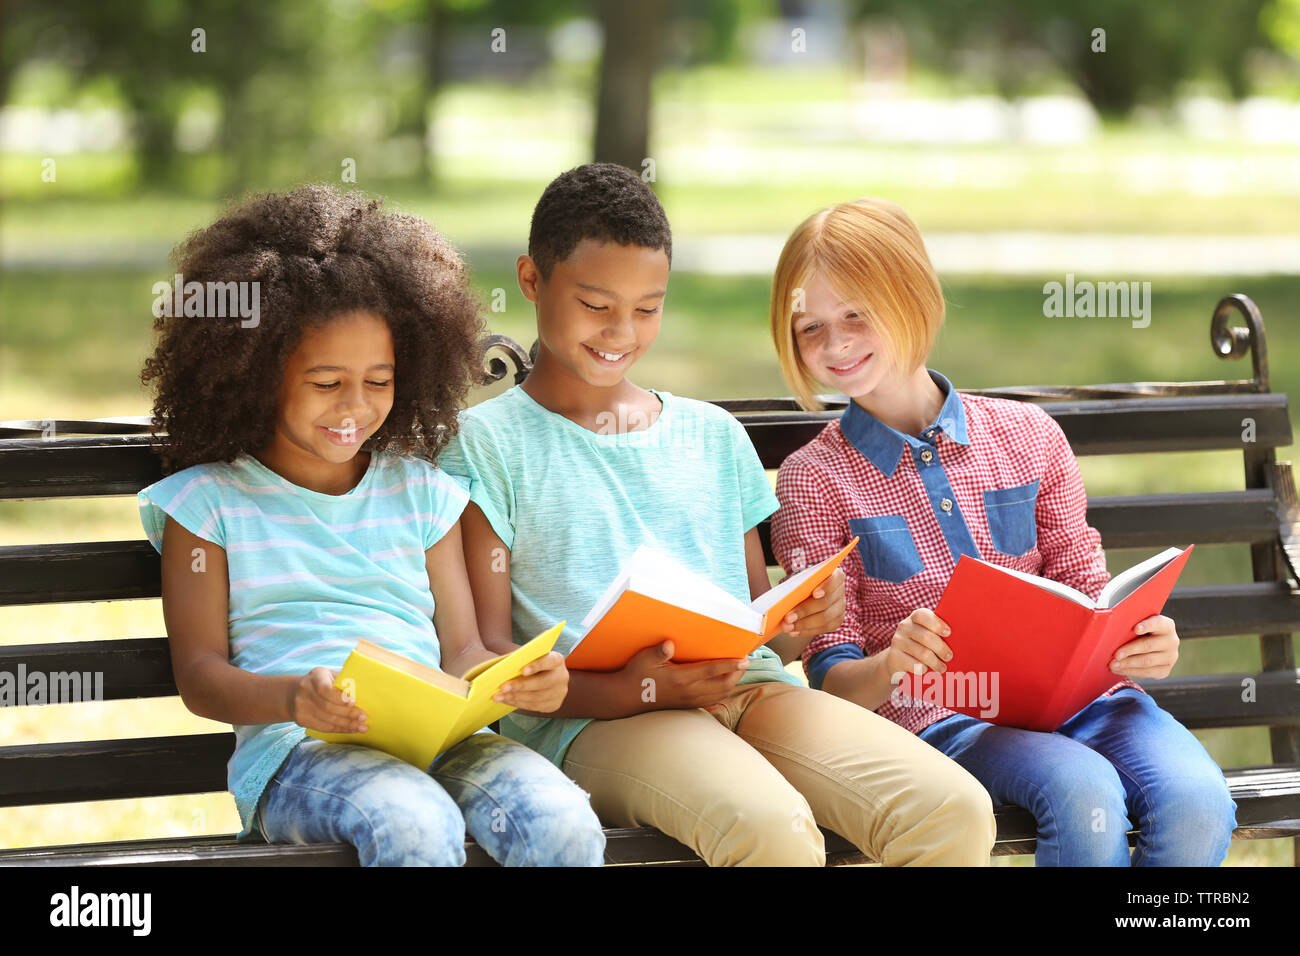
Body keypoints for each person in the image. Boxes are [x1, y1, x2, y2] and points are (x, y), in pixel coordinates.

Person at [439, 163, 996, 866]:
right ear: (530, 280)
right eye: (595, 304)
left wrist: (801, 619)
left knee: (951, 809)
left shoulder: (711, 434)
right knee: (769, 828)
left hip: (749, 691)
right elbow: (492, 661)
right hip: (591, 722)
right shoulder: (486, 446)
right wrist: (634, 687)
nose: (621, 331)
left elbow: (761, 628)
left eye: (647, 309)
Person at [137, 184, 605, 867]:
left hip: (440, 741)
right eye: (327, 383)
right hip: (300, 755)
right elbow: (201, 677)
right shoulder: (209, 507)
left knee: (562, 819)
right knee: (413, 822)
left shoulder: (423, 494)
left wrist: (516, 681)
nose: (355, 407)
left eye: (379, 380)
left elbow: (463, 652)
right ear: (259, 374)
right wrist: (294, 699)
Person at [767, 196, 1237, 866]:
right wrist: (895, 663)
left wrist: (1141, 642)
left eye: (855, 315)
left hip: (1084, 701)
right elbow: (833, 678)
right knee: (1084, 794)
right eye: (810, 329)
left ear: (913, 298)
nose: (836, 343)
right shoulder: (813, 479)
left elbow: (1089, 591)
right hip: (944, 719)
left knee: (1197, 801)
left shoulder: (1028, 436)